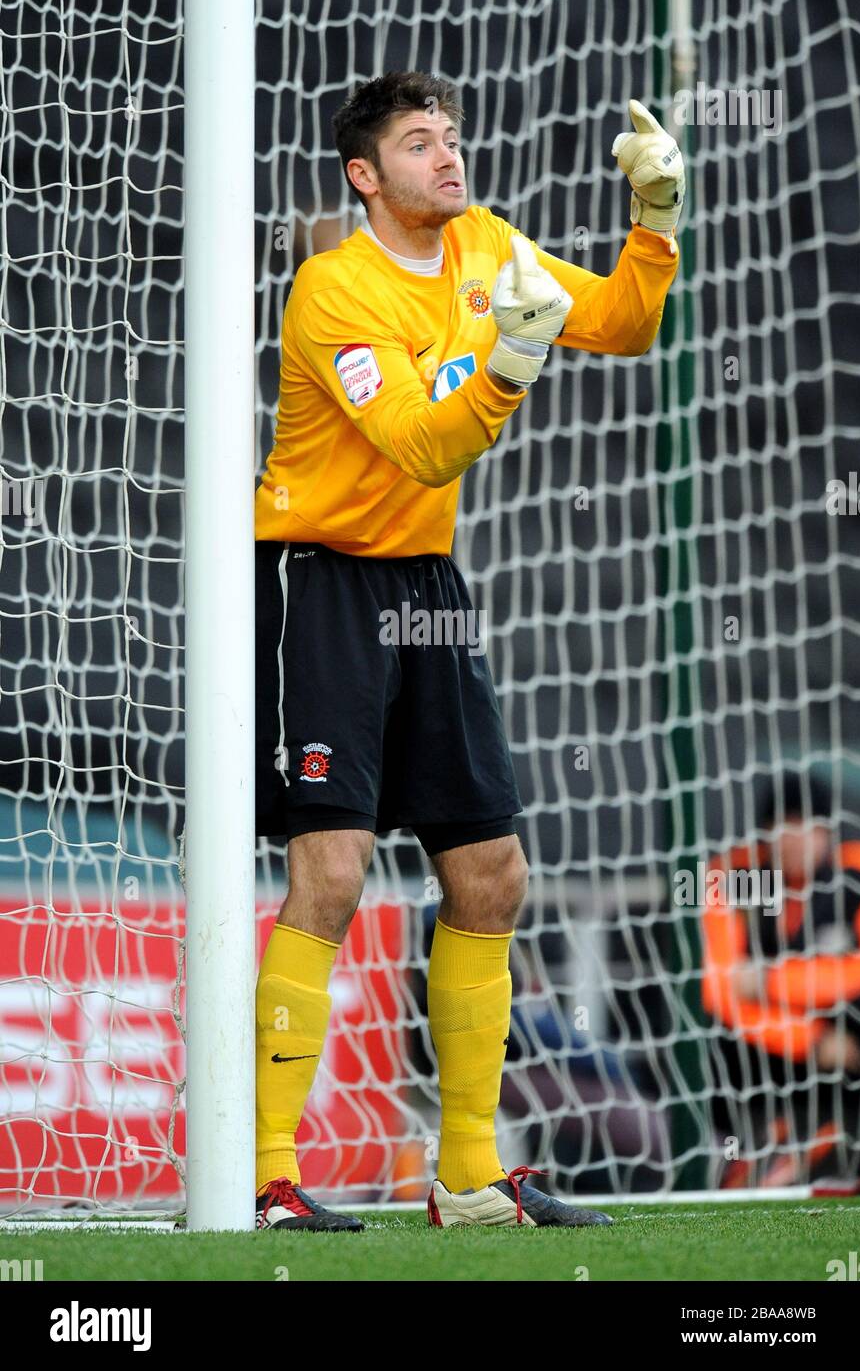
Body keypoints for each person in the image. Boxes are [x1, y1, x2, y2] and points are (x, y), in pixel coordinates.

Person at [253, 71, 683, 1230]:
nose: (446, 157)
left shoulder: (488, 243)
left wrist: (653, 225)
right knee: (331, 871)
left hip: (427, 587)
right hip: (320, 582)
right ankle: (268, 1174)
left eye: (449, 137)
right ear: (363, 174)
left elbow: (627, 326)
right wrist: (505, 369)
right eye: (415, 144)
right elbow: (414, 445)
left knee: (491, 876)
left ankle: (470, 1176)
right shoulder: (332, 292)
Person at [702, 772, 860, 1187]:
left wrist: (771, 981)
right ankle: (766, 1152)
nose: (795, 836)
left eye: (807, 823)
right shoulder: (730, 878)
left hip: (849, 1033)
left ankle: (826, 1146)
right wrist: (812, 1040)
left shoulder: (857, 873)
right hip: (764, 1051)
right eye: (783, 823)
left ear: (827, 830)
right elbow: (720, 992)